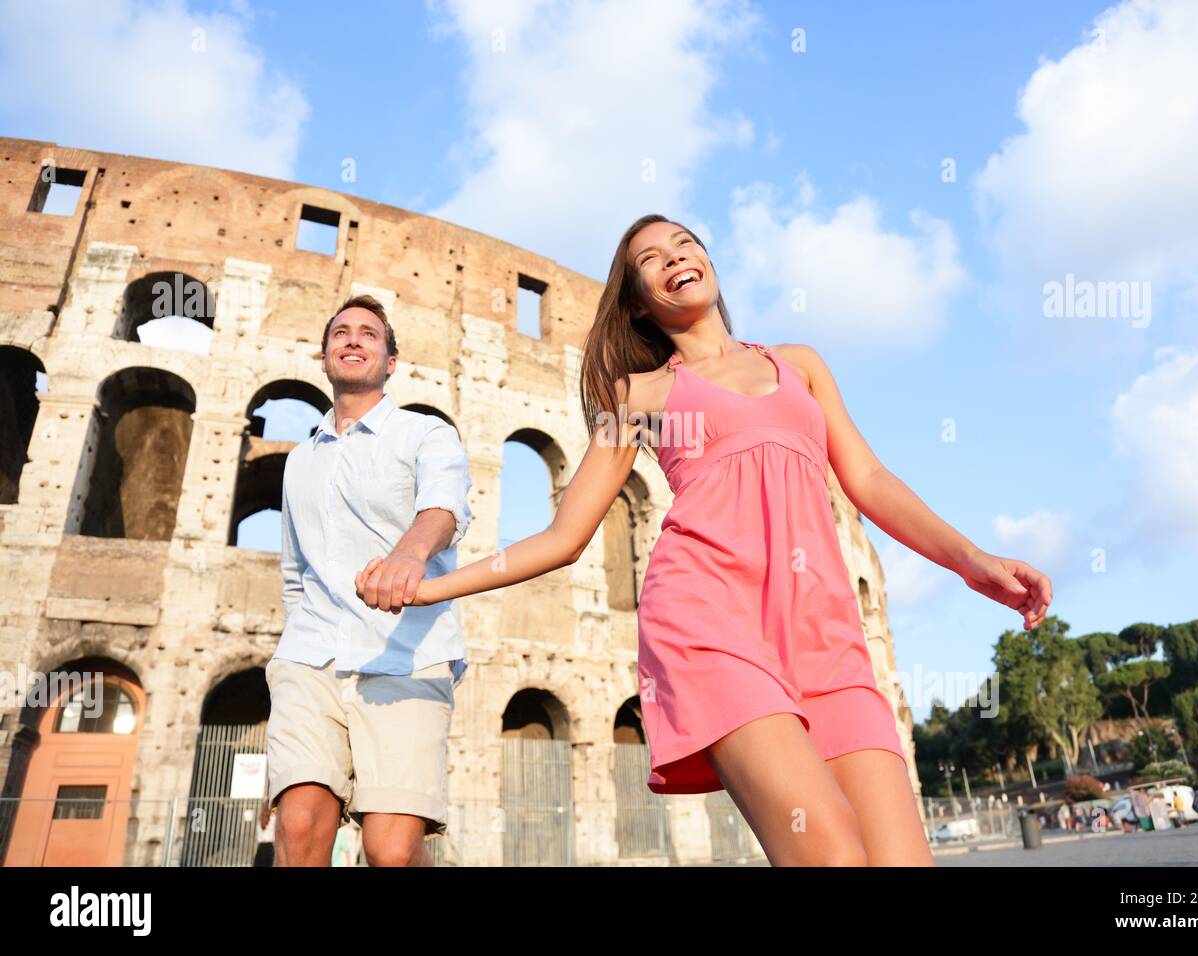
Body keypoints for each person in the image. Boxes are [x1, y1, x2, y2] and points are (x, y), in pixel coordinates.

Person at [355, 215, 1052, 866]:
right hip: (708, 624)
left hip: (825, 634)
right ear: (636, 303)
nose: (674, 258)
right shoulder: (638, 397)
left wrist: (972, 562)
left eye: (684, 243)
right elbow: (566, 536)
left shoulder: (800, 364)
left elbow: (867, 478)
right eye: (650, 260)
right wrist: (429, 585)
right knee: (831, 853)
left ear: (708, 259)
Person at [269, 294, 472, 867]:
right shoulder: (299, 460)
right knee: (300, 825)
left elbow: (445, 507)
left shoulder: (425, 433)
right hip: (310, 655)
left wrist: (409, 555)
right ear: (325, 355)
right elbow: (294, 568)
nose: (352, 340)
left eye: (368, 334)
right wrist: (291, 646)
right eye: (340, 333)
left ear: (390, 361)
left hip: (405, 654)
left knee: (390, 851)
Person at [253, 802, 275, 867]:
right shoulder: (273, 819)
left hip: (260, 847)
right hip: (269, 847)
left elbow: (257, 835)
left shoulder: (260, 820)